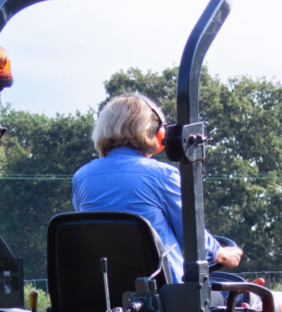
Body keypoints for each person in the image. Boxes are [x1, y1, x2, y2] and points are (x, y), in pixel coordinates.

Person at [72, 94, 243, 281]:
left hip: (103, 293)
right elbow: (192, 236)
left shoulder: (82, 177)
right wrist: (223, 255)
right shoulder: (162, 175)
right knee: (249, 301)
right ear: (157, 132)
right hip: (164, 297)